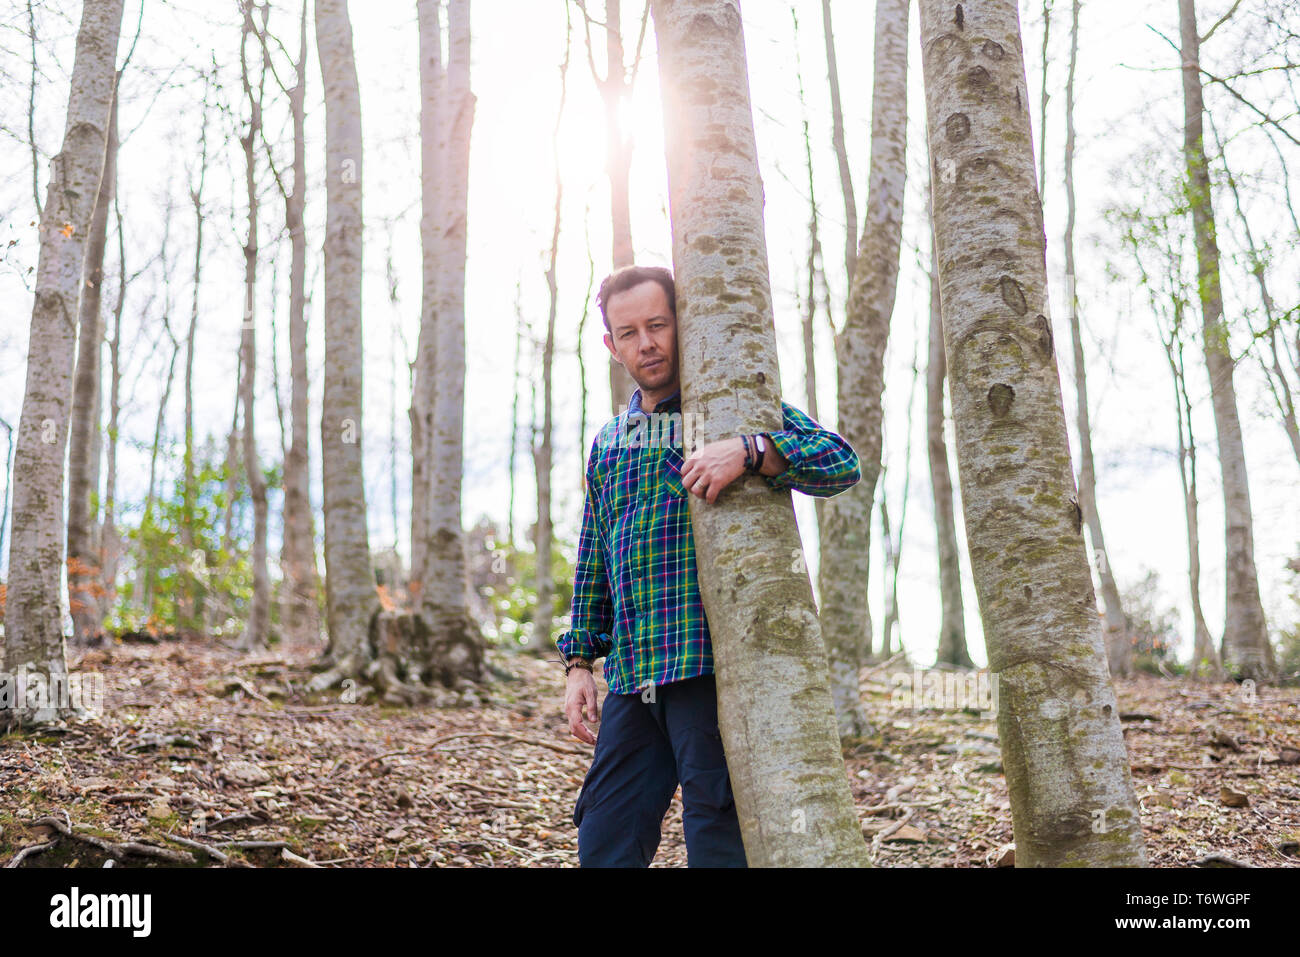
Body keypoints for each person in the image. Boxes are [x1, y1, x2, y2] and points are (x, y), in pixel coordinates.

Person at [555, 264, 861, 867]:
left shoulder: (728, 406)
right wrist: (577, 663)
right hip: (635, 676)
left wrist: (752, 450)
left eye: (658, 324)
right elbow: (594, 555)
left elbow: (840, 461)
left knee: (717, 839)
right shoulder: (610, 442)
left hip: (707, 670)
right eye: (629, 332)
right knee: (604, 836)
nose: (646, 343)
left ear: (680, 324)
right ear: (611, 345)